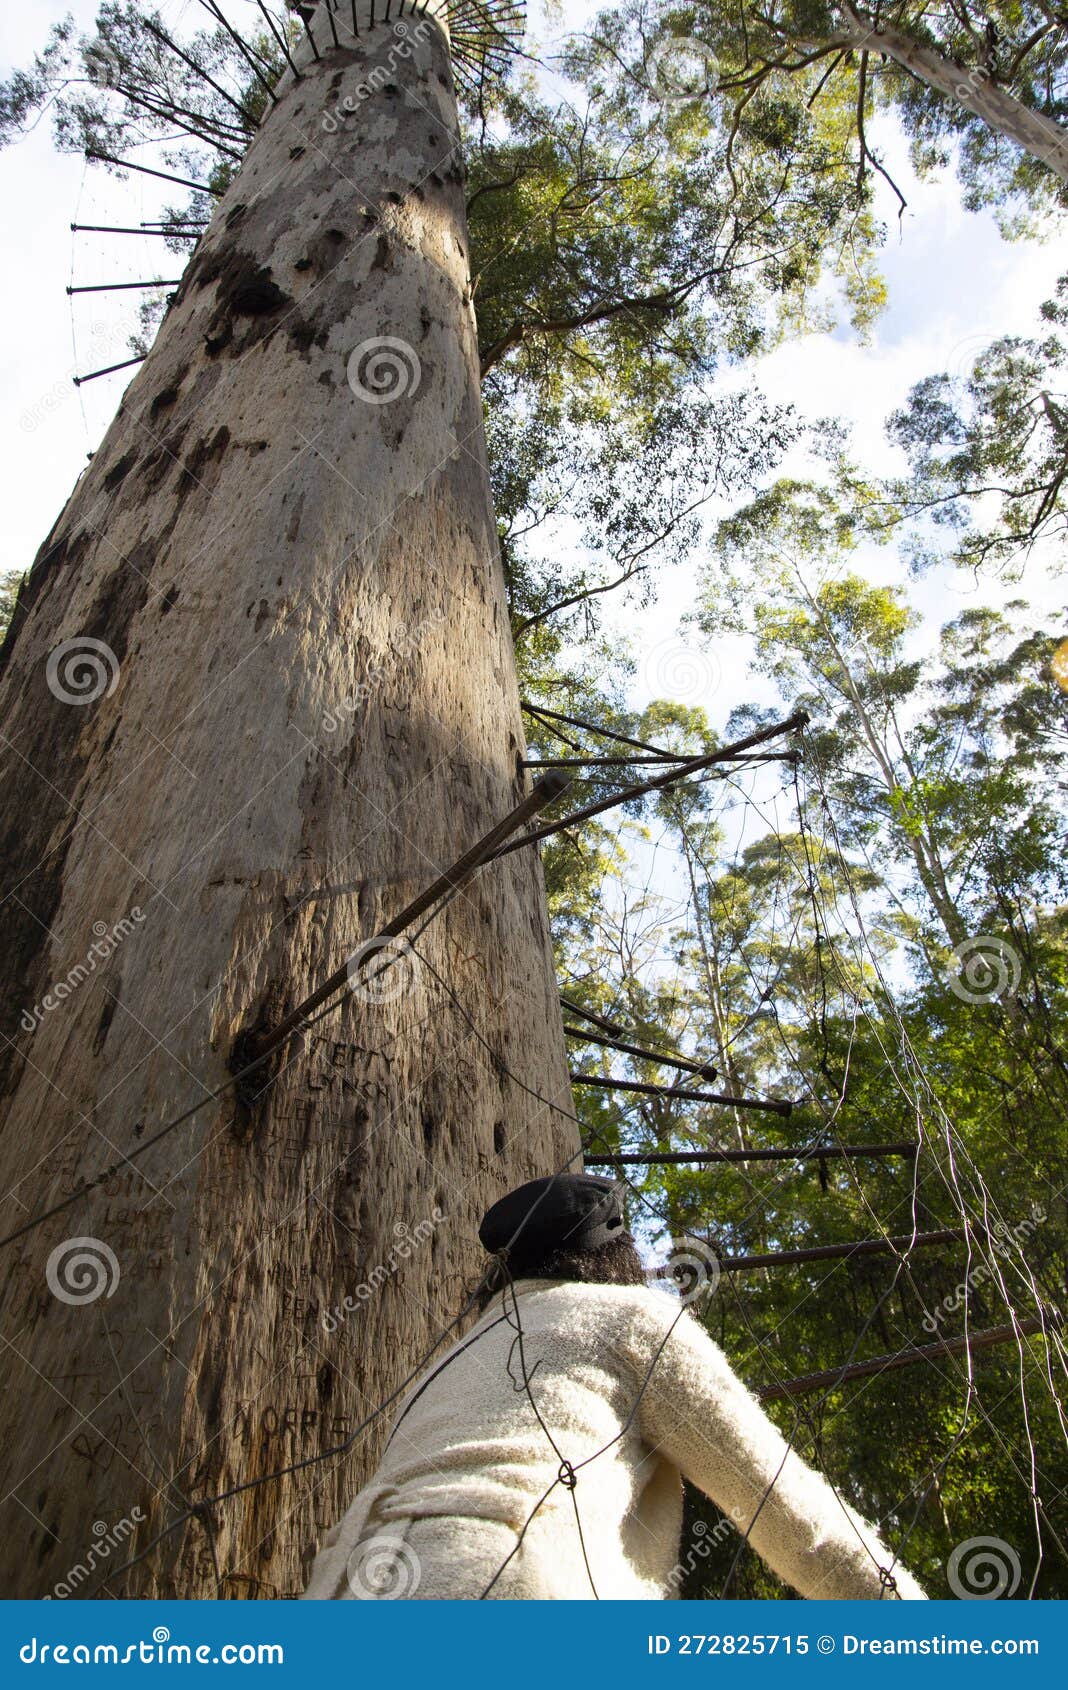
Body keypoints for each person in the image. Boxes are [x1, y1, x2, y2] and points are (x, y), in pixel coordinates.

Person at [302, 1173, 927, 1600]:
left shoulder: (450, 1359)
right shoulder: (632, 1319)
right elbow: (787, 1510)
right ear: (617, 1257)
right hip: (503, 1584)